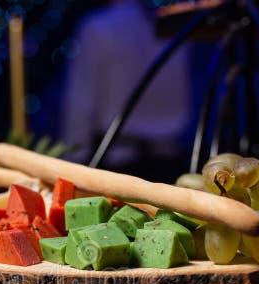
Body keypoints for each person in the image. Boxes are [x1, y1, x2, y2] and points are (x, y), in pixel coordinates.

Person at [61, 0, 192, 171]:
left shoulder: (98, 27)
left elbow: (80, 103)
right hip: (172, 159)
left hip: (118, 162)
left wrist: (73, 162)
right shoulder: (175, 22)